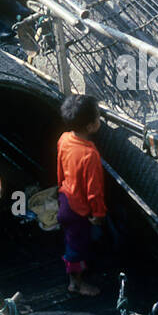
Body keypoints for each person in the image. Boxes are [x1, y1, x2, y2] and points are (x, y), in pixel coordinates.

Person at [56, 94, 106, 297]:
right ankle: (75, 283)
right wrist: (99, 214)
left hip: (65, 197)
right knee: (76, 246)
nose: (99, 120)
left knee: (73, 239)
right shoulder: (90, 154)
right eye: (98, 117)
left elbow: (60, 168)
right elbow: (94, 190)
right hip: (78, 209)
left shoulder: (64, 138)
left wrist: (59, 186)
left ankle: (78, 271)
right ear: (90, 126)